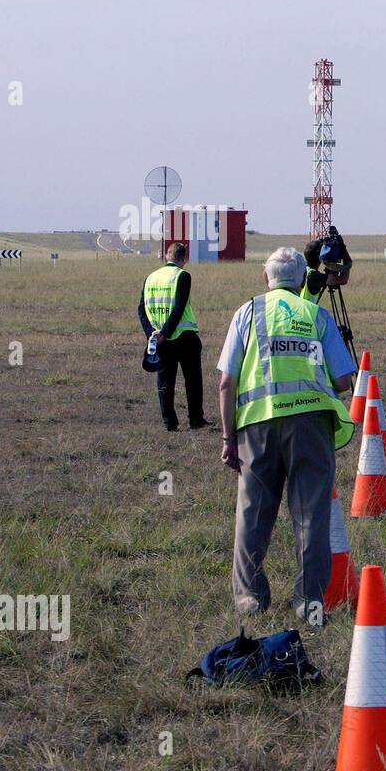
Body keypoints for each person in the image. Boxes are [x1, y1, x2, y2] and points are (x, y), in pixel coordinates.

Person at [216, 247, 357, 621]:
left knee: (253, 513)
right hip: (311, 426)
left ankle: (250, 599)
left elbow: (226, 382)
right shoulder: (317, 315)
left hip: (257, 425)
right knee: (312, 513)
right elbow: (344, 379)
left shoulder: (247, 313)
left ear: (266, 279)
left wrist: (229, 439)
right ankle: (309, 602)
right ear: (300, 283)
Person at [139, 242, 209, 431]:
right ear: (184, 259)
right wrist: (166, 333)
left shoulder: (150, 278)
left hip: (159, 338)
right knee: (193, 379)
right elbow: (178, 308)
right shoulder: (182, 276)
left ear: (166, 256)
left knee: (165, 381)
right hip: (184, 336)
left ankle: (169, 422)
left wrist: (152, 335)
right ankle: (195, 419)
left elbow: (141, 310)